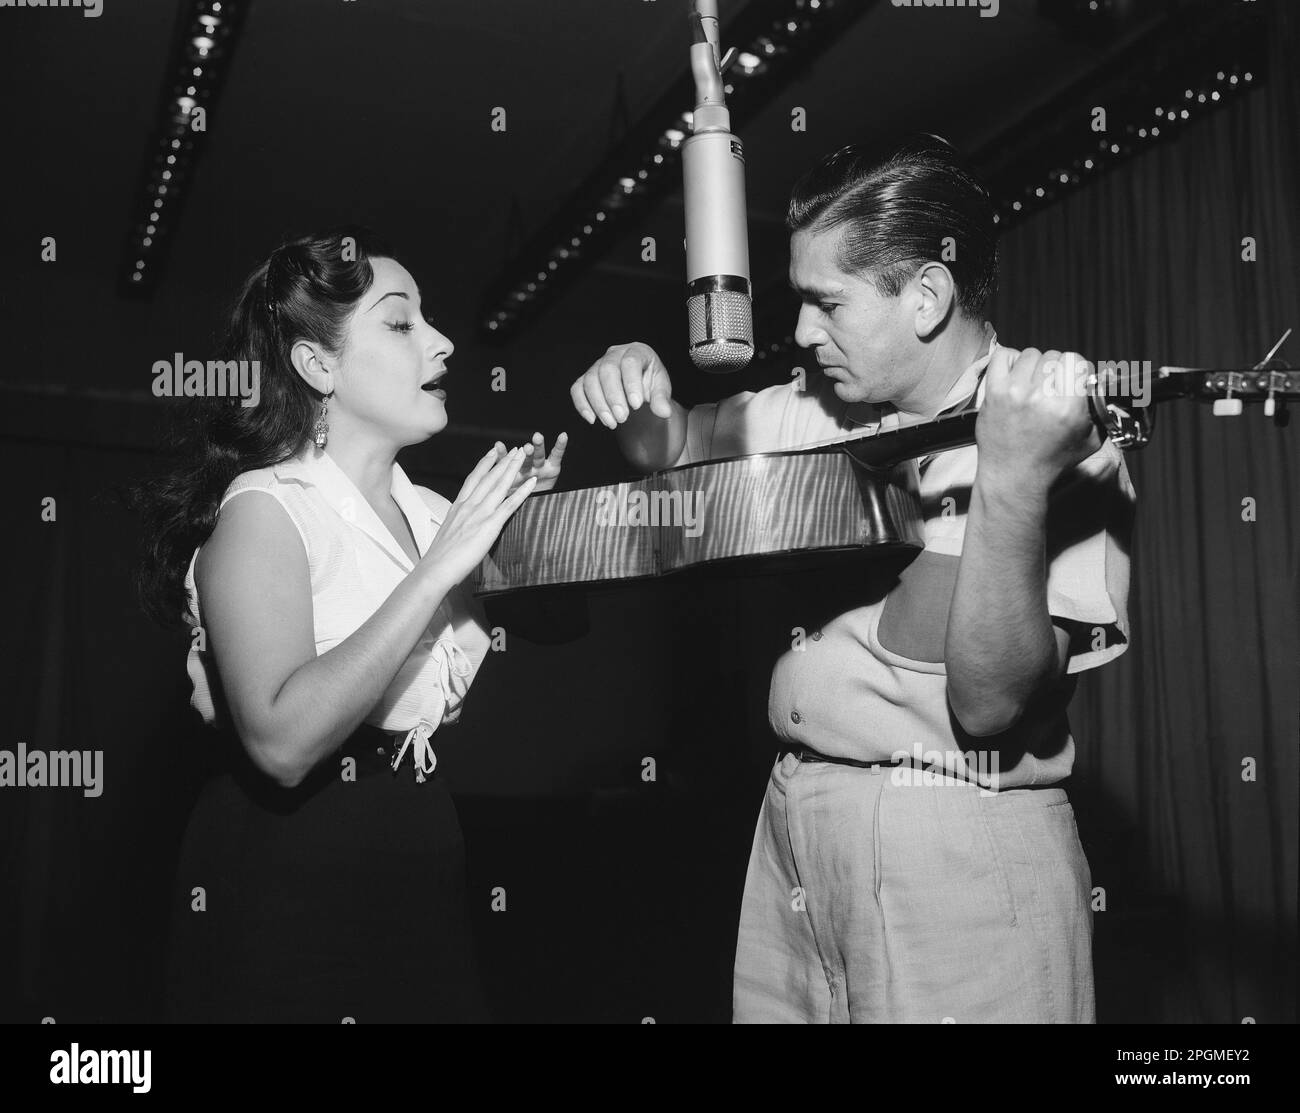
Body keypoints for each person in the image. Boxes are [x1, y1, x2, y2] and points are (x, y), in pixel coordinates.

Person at [569, 137, 1135, 1023]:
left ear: (925, 297)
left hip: (954, 838)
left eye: (825, 302)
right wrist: (636, 388)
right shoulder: (820, 407)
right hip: (796, 819)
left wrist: (1012, 480)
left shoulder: (1066, 443)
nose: (799, 332)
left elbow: (988, 706)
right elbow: (673, 452)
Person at [136, 227, 565, 1022]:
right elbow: (282, 743)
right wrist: (438, 566)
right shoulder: (267, 511)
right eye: (401, 323)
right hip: (287, 867)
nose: (440, 342)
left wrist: (561, 509)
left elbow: (561, 619)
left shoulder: (434, 511)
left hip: (422, 846)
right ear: (318, 364)